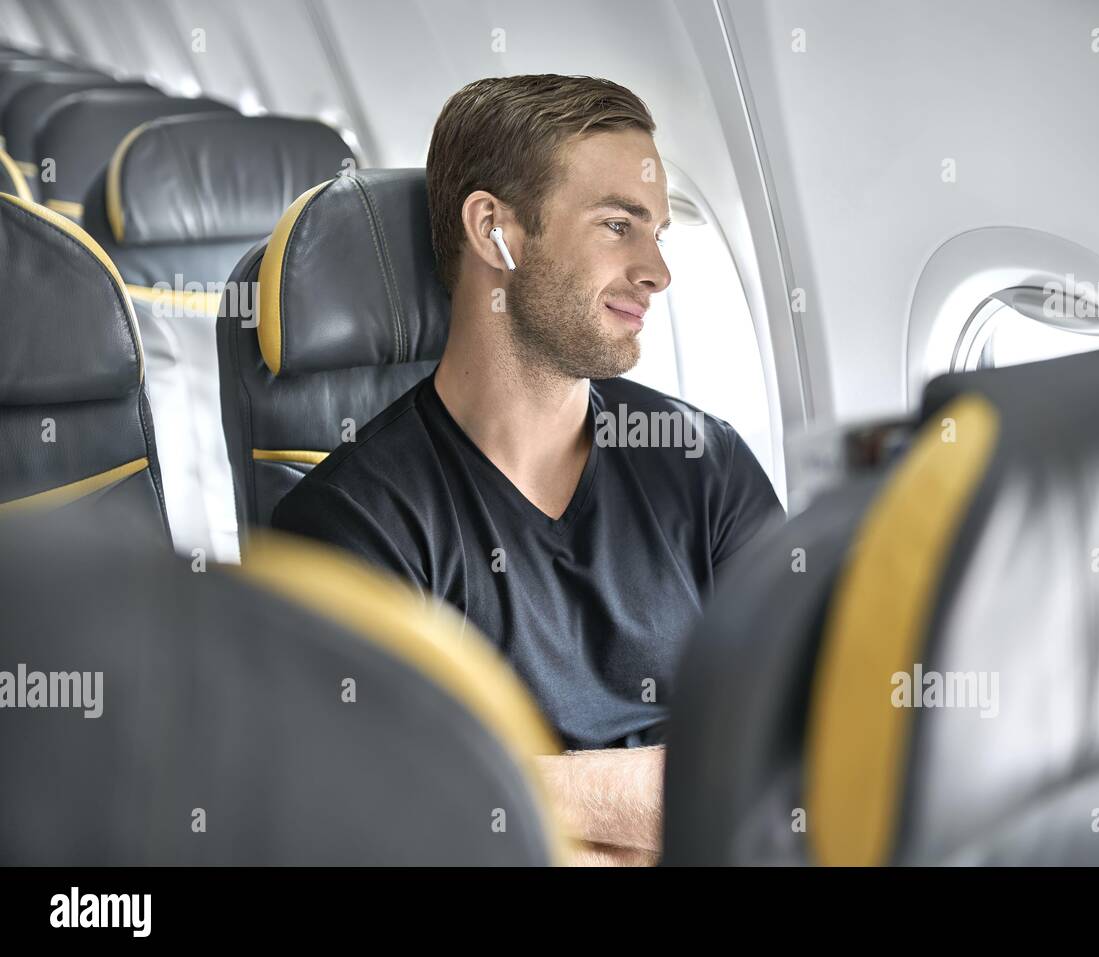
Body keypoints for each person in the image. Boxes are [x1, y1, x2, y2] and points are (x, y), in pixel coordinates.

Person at [272, 74, 784, 864]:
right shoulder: (349, 527)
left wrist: (513, 789)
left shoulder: (704, 464)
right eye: (618, 225)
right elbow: (381, 818)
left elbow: (798, 759)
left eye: (660, 234)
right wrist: (674, 798)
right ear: (494, 231)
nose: (658, 272)